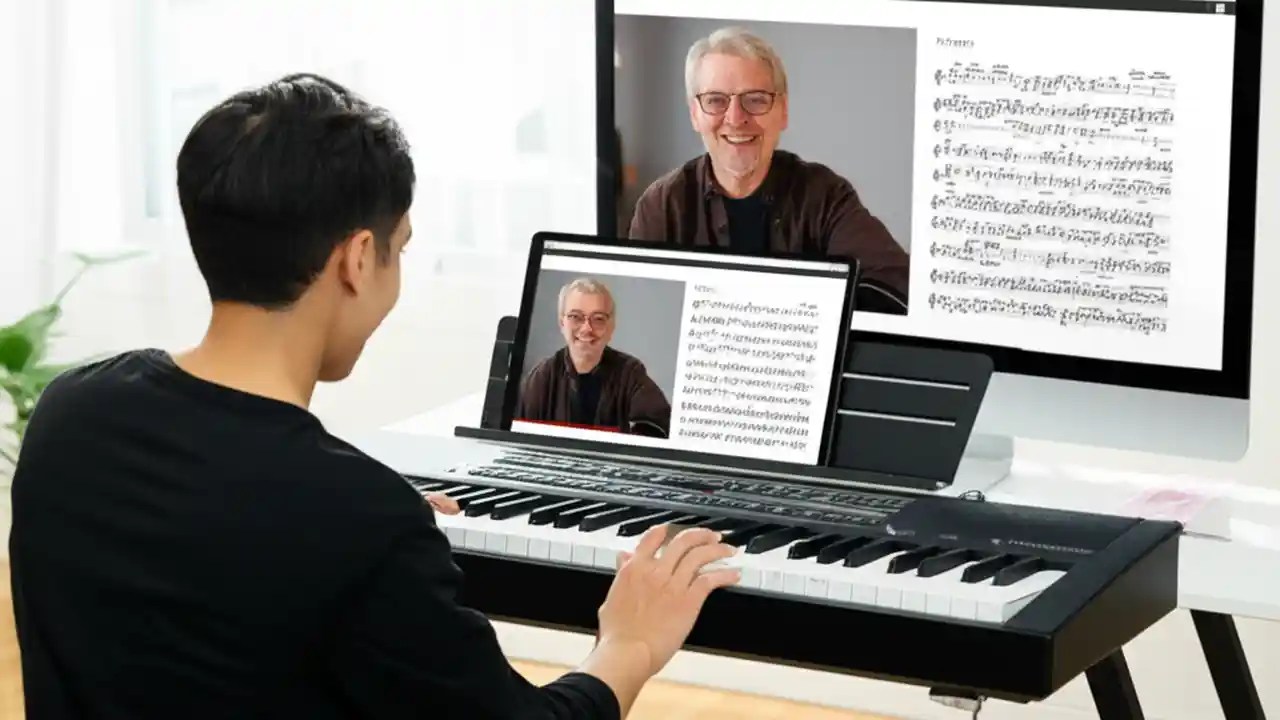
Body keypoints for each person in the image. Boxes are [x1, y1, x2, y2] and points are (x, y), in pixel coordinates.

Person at [8, 73, 739, 719]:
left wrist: (357, 530)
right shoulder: (354, 516)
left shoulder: (72, 412)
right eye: (403, 247)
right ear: (359, 259)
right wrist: (631, 644)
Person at [627, 26, 910, 306]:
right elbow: (643, 316)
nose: (736, 118)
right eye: (715, 101)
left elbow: (893, 284)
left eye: (755, 100)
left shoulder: (824, 195)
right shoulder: (662, 205)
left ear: (783, 111)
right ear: (695, 115)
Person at [516, 277, 671, 438]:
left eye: (598, 319)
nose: (587, 328)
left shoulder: (630, 374)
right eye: (576, 317)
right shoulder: (541, 378)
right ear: (562, 323)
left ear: (611, 327)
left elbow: (658, 427)